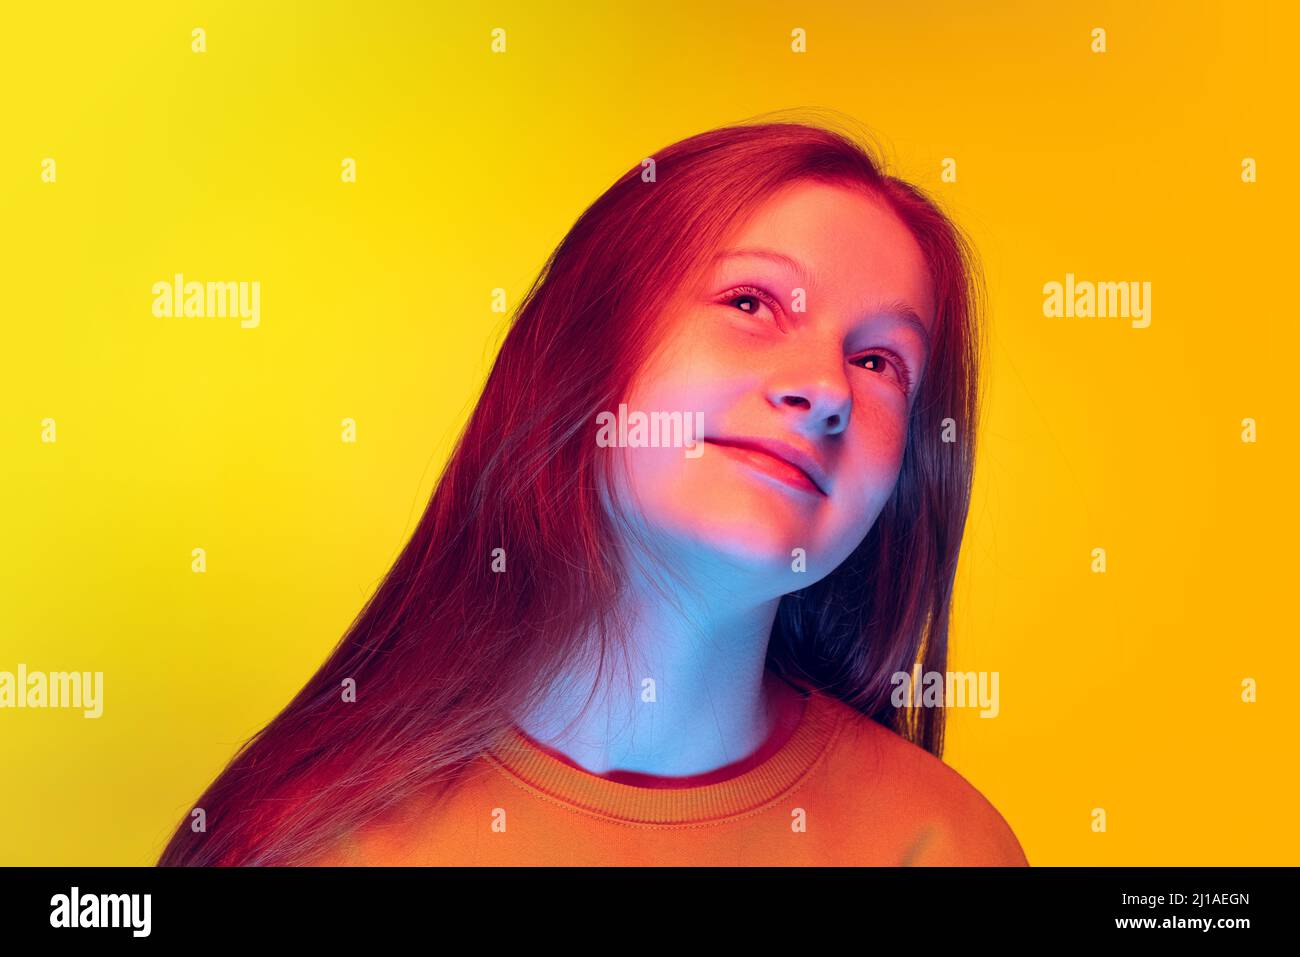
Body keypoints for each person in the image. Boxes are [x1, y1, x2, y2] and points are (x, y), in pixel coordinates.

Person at [156, 112, 1027, 867]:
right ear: (584, 350)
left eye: (879, 362)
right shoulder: (304, 840)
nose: (827, 388)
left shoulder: (942, 844)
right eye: (753, 302)